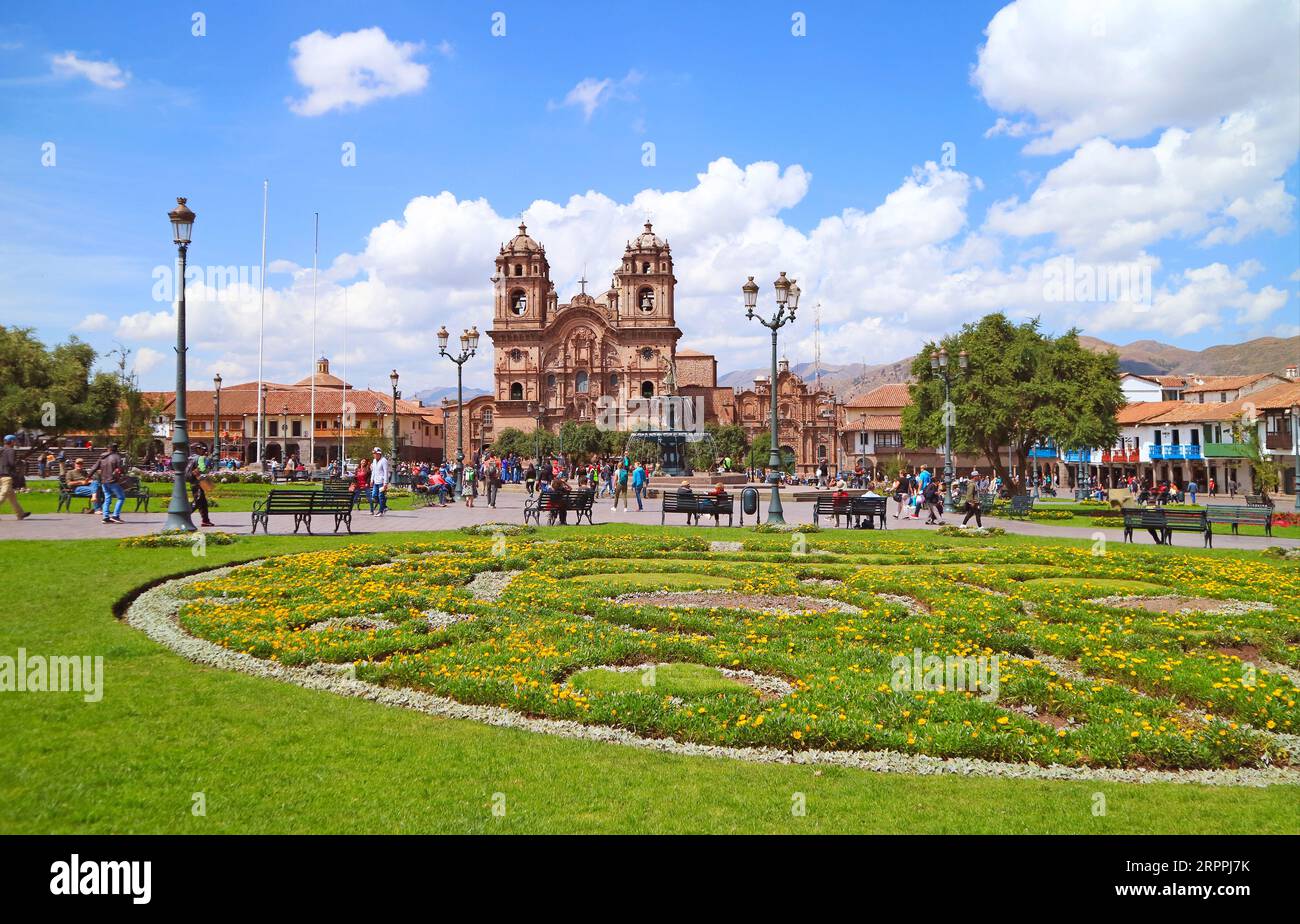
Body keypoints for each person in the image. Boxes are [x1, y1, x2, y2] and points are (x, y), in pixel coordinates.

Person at [0, 435, 31, 520]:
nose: (15, 442)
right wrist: (20, 461)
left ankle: (20, 514)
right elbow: (11, 463)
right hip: (7, 476)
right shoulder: (11, 450)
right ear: (12, 441)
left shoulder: (1, 450)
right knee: (3, 495)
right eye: (14, 441)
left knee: (12, 498)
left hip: (1, 475)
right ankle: (20, 514)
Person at [96, 442, 126, 524]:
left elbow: (94, 467)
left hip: (103, 481)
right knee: (121, 497)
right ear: (116, 449)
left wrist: (88, 477)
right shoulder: (117, 457)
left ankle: (105, 517)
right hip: (112, 481)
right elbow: (121, 469)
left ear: (108, 448)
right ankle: (115, 516)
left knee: (107, 498)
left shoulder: (102, 457)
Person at [187, 447, 215, 527]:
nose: (203, 450)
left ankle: (205, 520)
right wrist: (207, 469)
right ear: (197, 450)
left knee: (203, 502)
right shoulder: (200, 458)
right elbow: (203, 469)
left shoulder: (190, 458)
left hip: (192, 481)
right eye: (201, 449)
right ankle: (184, 516)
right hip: (199, 481)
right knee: (198, 501)